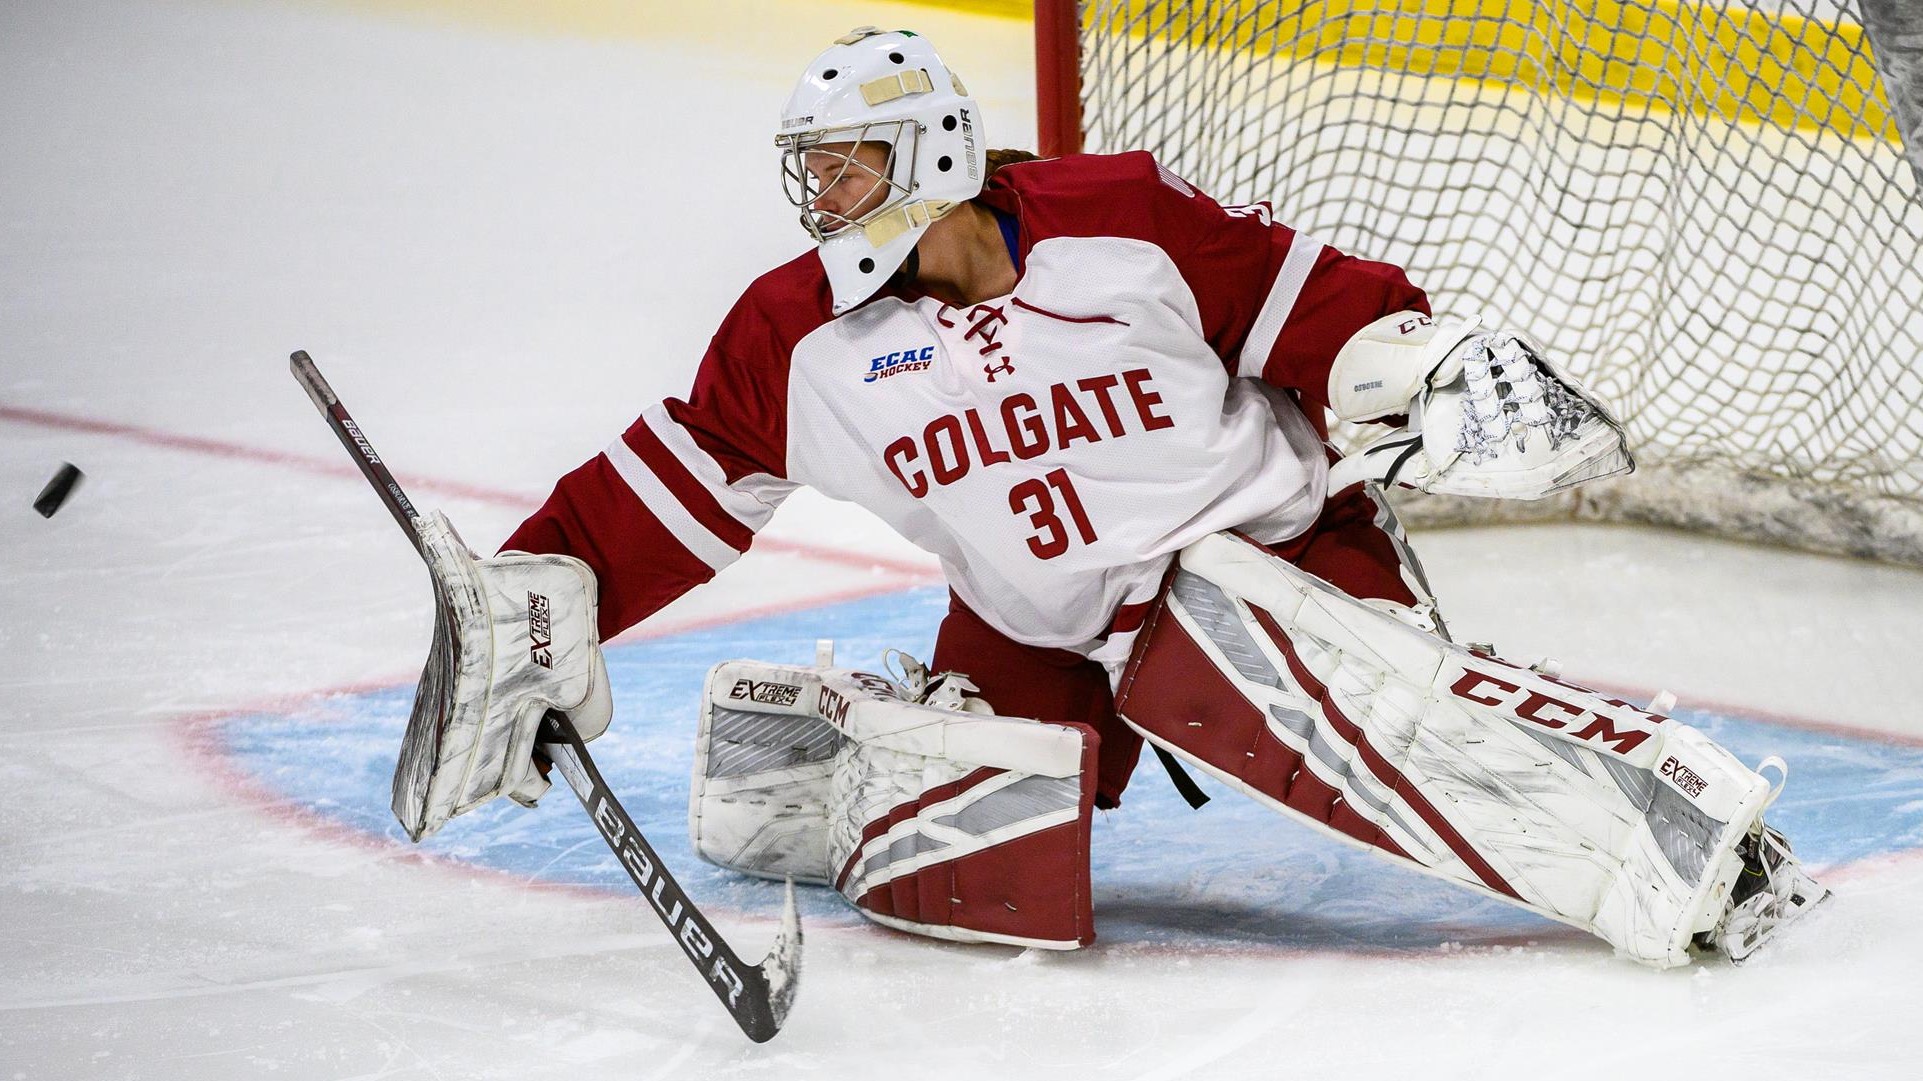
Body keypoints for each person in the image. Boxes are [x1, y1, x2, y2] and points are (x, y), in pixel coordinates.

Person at [392, 27, 1826, 966]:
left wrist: (1424, 364)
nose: (821, 199)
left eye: (847, 166)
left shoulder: (1119, 220)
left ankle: (1693, 842)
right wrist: (543, 600)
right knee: (972, 865)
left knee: (1407, 735)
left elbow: (1315, 308)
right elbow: (672, 485)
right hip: (1044, 627)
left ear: (934, 153)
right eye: (808, 174)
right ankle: (841, 765)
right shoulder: (799, 339)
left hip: (1270, 553)